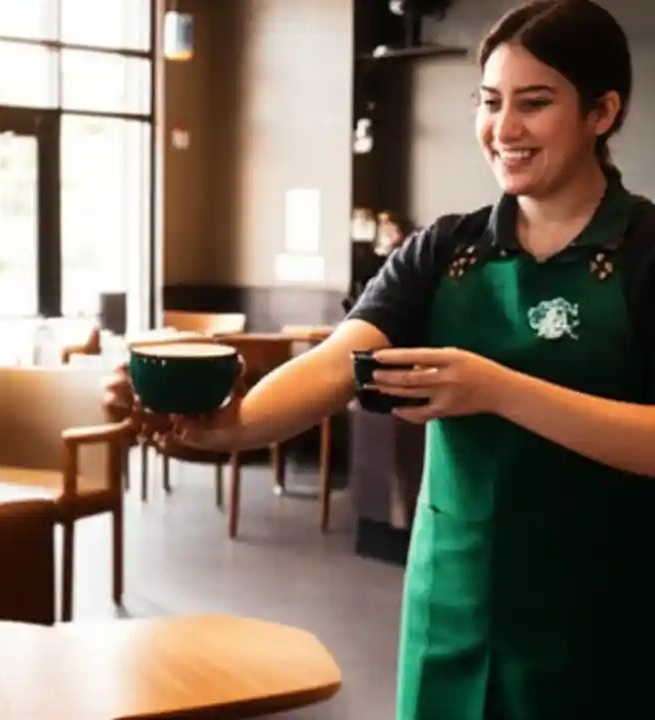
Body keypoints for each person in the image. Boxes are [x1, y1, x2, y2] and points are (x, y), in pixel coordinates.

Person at [106, 2, 654, 718]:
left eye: (535, 102)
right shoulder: (442, 252)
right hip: (452, 607)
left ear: (601, 111)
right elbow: (336, 364)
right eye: (489, 102)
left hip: (602, 615)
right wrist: (217, 427)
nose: (504, 128)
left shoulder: (644, 253)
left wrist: (497, 389)